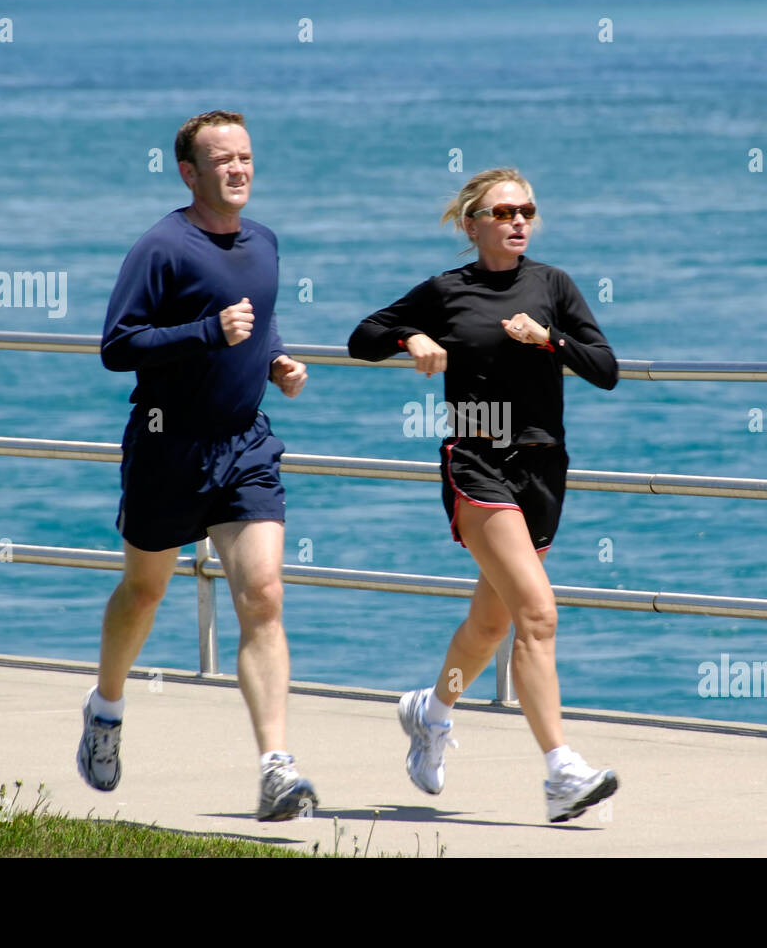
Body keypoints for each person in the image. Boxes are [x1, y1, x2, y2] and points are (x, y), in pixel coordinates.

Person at [347, 168, 620, 823]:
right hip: (477, 460)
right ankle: (560, 772)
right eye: (502, 212)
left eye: (526, 209)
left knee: (491, 624)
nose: (518, 221)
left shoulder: (553, 285)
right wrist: (409, 336)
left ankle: (432, 710)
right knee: (537, 614)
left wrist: (547, 339)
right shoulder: (447, 291)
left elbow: (605, 369)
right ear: (472, 225)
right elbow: (361, 338)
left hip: (544, 468)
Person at [77, 110, 317, 822]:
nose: (238, 169)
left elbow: (260, 319)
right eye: (223, 161)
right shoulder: (161, 247)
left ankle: (276, 767)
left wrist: (275, 361)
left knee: (263, 594)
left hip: (244, 446)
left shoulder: (265, 242)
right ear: (190, 173)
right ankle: (107, 708)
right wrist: (205, 333)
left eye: (246, 156)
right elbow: (119, 345)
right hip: (165, 447)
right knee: (144, 593)